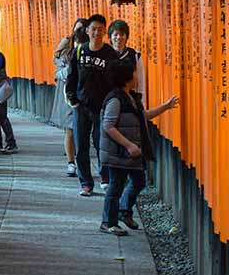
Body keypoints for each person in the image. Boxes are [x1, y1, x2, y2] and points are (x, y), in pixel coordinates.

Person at [98, 61, 179, 235]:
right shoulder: (115, 99)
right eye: (134, 73)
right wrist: (129, 145)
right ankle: (108, 222)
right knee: (116, 186)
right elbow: (108, 125)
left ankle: (124, 211)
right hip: (118, 152)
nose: (137, 77)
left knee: (138, 181)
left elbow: (143, 117)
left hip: (129, 152)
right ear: (126, 78)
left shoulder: (130, 97)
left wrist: (165, 107)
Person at [64, 13, 116, 196]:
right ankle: (86, 182)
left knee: (102, 143)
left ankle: (105, 177)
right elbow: (71, 77)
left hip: (102, 107)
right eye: (93, 29)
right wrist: (73, 100)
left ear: (104, 32)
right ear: (87, 30)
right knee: (81, 145)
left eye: (100, 30)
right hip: (81, 106)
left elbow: (115, 80)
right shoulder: (79, 51)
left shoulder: (110, 54)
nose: (96, 33)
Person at [99, 19, 146, 191]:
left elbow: (139, 79)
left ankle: (124, 174)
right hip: (112, 100)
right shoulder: (105, 54)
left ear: (127, 37)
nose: (119, 38)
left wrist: (141, 101)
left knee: (128, 135)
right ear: (110, 37)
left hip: (129, 99)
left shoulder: (134, 55)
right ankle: (106, 174)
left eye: (122, 34)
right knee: (106, 139)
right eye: (115, 34)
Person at [52, 18, 88, 175]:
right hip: (69, 93)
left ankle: (79, 160)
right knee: (69, 129)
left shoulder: (90, 48)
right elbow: (57, 64)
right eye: (77, 28)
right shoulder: (67, 44)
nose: (79, 32)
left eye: (82, 29)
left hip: (85, 94)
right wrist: (68, 69)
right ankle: (71, 162)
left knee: (82, 131)